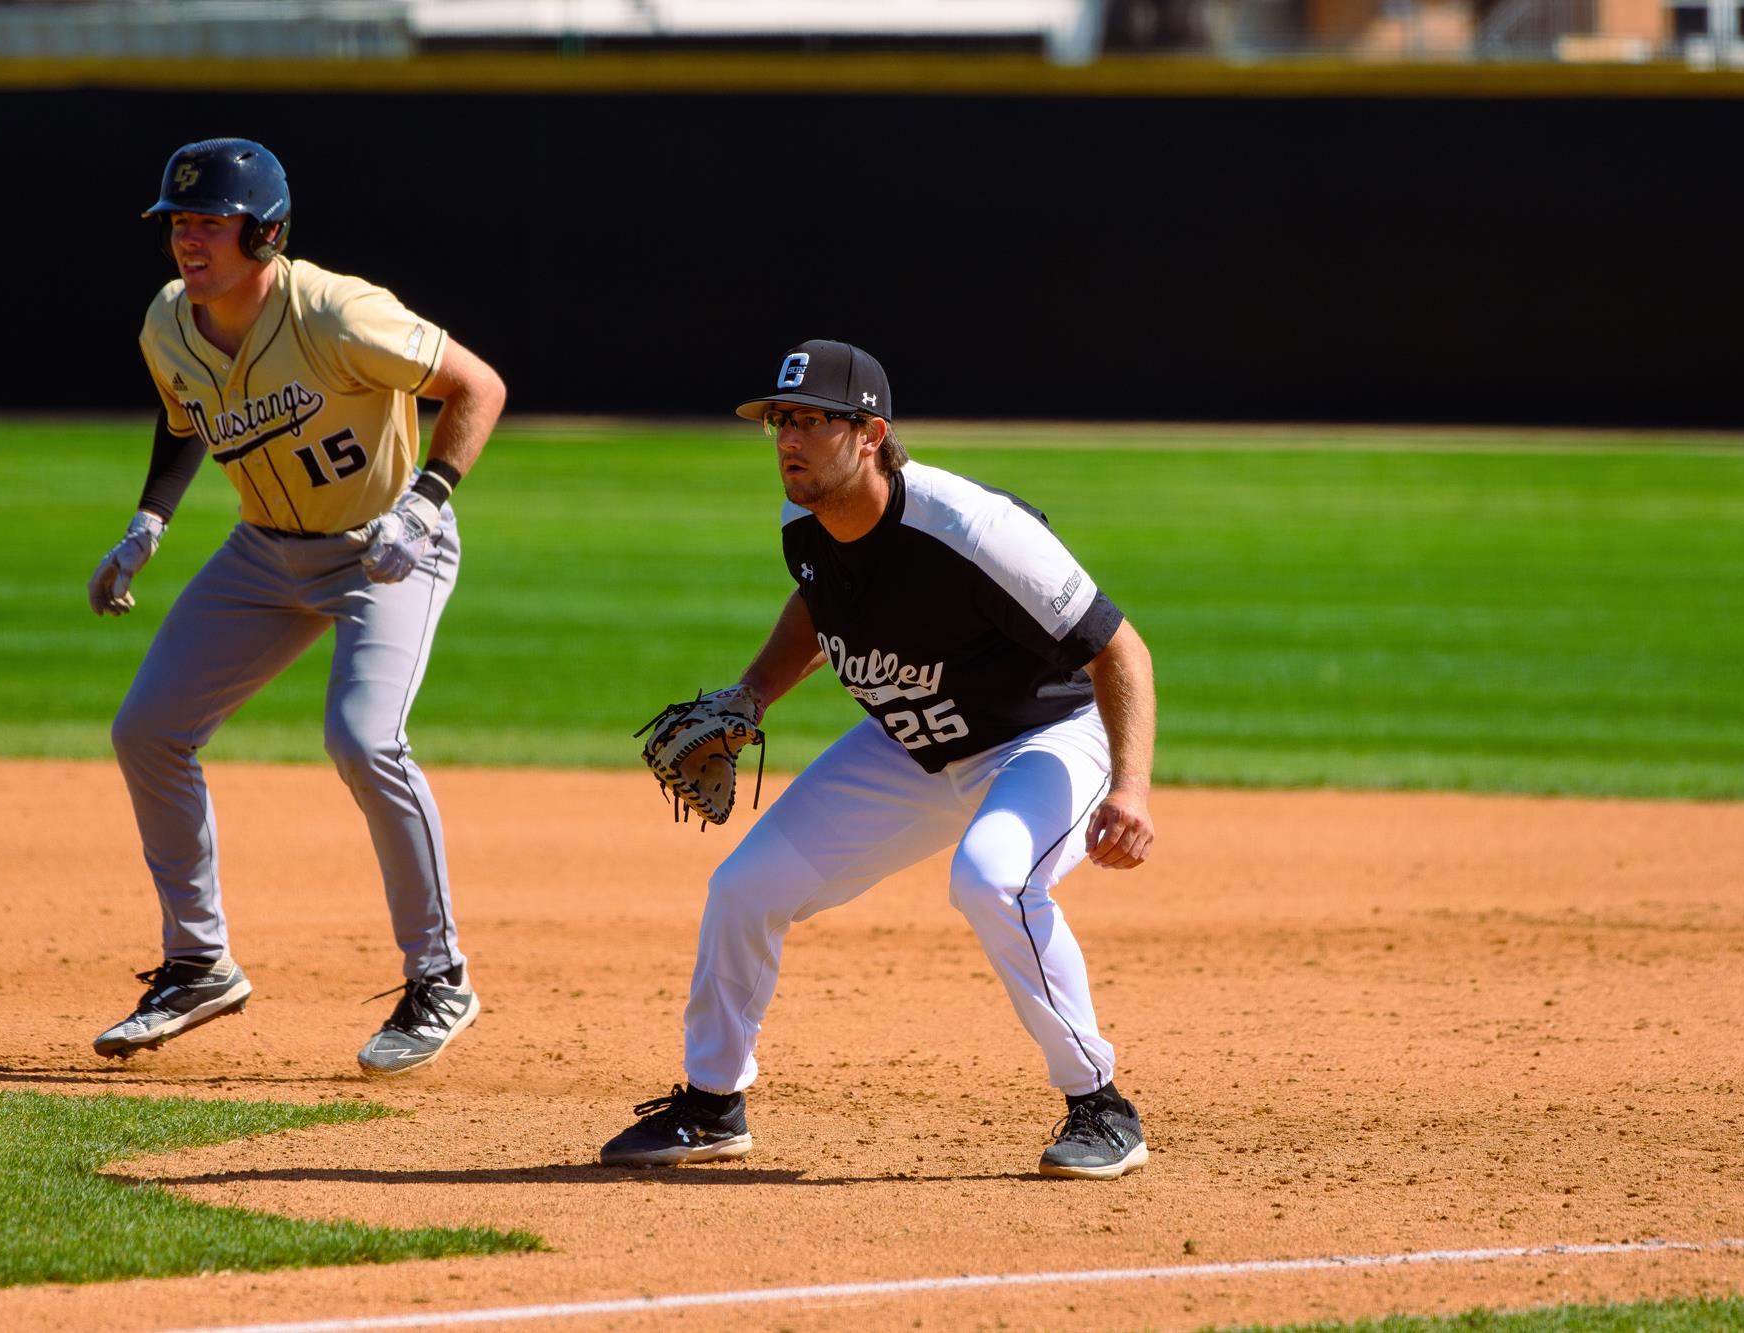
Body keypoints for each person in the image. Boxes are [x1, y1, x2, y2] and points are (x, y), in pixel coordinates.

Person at [600, 340, 1157, 1179]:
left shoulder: (974, 530)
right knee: (745, 888)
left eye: (811, 421)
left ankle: (1102, 1105)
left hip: (1042, 737)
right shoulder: (804, 521)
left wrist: (1132, 790)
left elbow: (1121, 650)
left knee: (991, 877)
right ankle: (712, 1105)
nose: (789, 439)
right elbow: (817, 601)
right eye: (780, 421)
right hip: (910, 744)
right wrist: (751, 696)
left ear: (870, 434)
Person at [86, 138, 506, 1077]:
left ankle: (440, 978)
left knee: (364, 740)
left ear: (265, 232)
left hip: (385, 548)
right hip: (263, 552)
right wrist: (149, 521)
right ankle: (199, 964)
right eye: (178, 222)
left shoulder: (336, 312)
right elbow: (185, 412)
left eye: (211, 222)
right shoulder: (169, 320)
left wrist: (424, 505)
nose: (189, 240)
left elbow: (478, 386)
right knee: (148, 730)